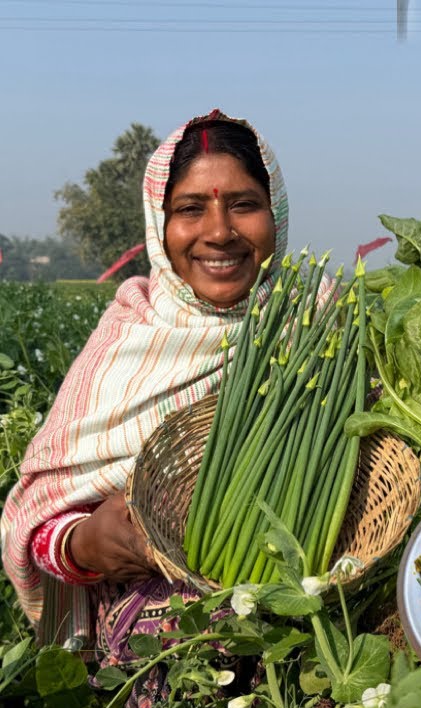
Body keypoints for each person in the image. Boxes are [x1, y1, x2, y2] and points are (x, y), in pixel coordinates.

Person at [1, 110, 286, 672]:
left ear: (276, 213)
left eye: (245, 204)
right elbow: (36, 517)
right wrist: (83, 545)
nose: (220, 230)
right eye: (190, 208)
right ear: (160, 225)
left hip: (303, 625)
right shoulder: (128, 338)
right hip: (162, 655)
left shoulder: (317, 322)